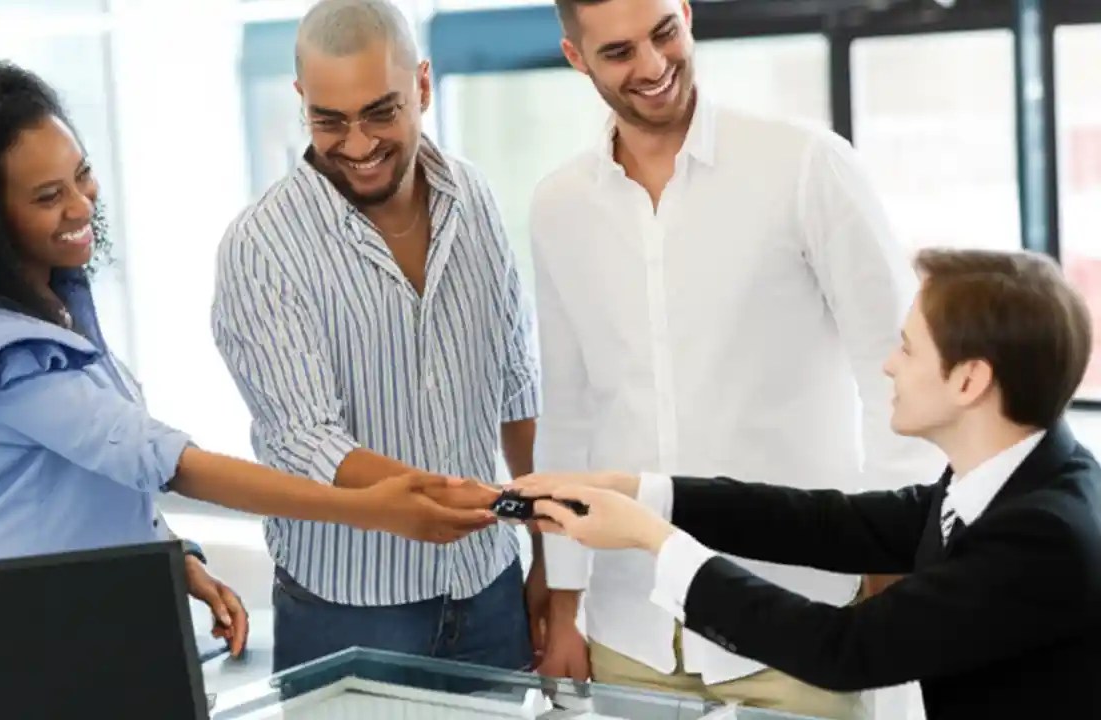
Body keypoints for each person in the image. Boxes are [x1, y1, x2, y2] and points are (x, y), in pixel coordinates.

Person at [0, 61, 497, 661]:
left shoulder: (53, 304)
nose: (82, 205)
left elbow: (95, 481)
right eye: (48, 196)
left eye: (82, 174)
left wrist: (173, 556)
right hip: (22, 634)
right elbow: (161, 460)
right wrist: (372, 510)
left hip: (97, 618)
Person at [528, 0, 943, 716]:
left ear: (687, 13)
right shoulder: (557, 206)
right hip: (633, 630)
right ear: (576, 57)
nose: (654, 67)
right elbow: (569, 410)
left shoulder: (807, 165)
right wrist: (565, 602)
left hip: (797, 619)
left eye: (665, 33)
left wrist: (892, 565)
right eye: (620, 53)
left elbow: (899, 372)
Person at [517, 248, 1101, 719]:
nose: (889, 366)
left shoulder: (1042, 534)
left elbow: (845, 649)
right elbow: (830, 523)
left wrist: (654, 541)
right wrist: (640, 492)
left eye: (907, 347)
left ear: (970, 381)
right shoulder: (1016, 474)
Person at [211, 0, 546, 673]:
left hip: (490, 590)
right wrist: (443, 498)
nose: (358, 146)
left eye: (381, 113)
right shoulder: (261, 246)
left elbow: (516, 382)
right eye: (330, 121)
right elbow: (307, 438)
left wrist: (549, 558)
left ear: (422, 86)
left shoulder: (472, 197)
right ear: (301, 99)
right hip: (352, 612)